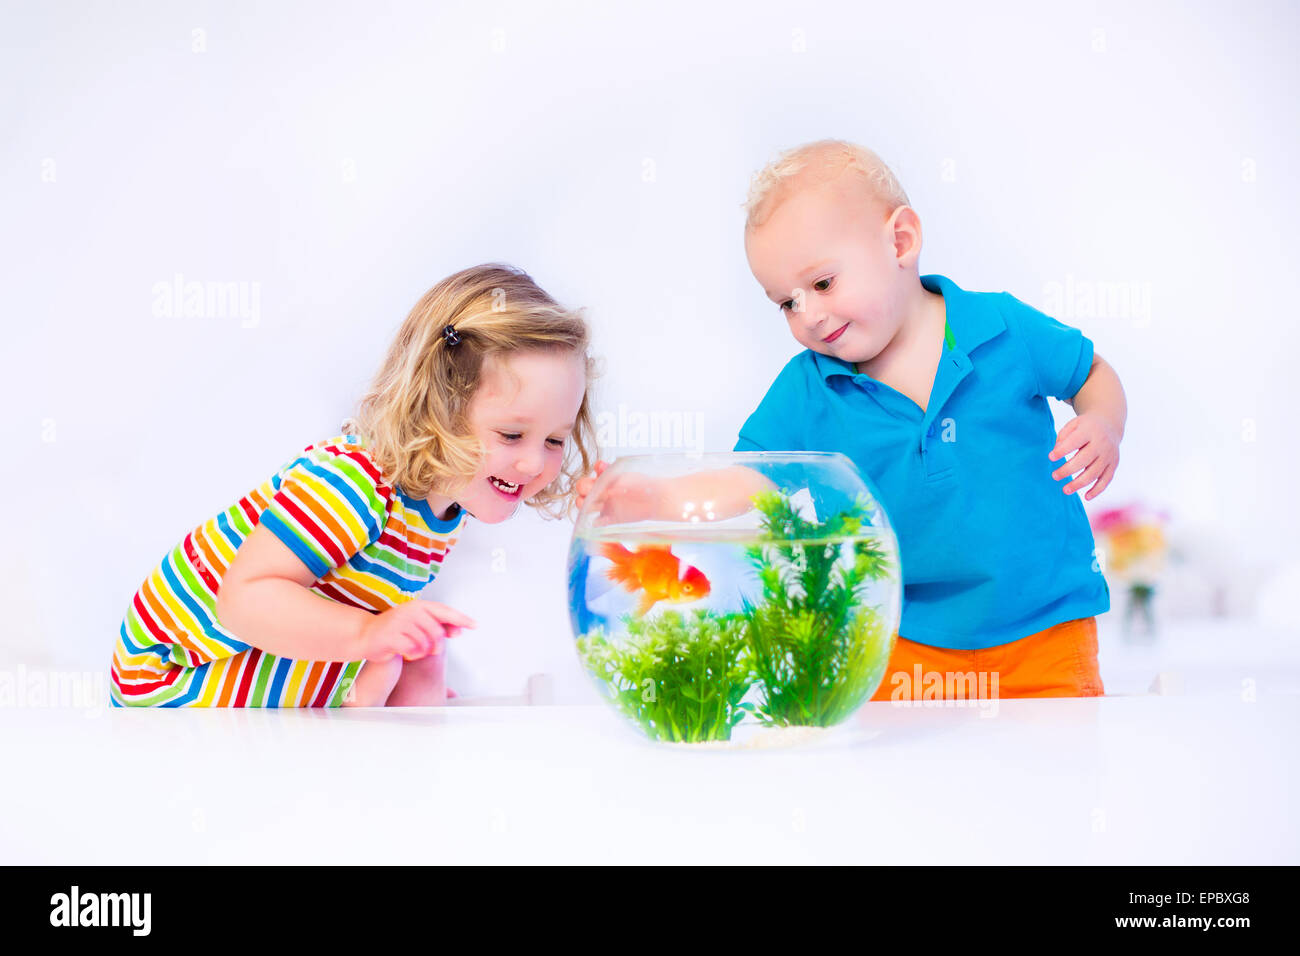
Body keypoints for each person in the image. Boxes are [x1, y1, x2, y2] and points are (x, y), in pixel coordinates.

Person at [577, 140, 1127, 699]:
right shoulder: (809, 388)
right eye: (786, 303)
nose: (809, 315)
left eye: (822, 284)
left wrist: (1103, 422)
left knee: (1058, 771)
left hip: (1045, 627)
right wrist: (656, 501)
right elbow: (749, 476)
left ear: (901, 242)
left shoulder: (1001, 326)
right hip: (898, 637)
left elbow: (1091, 373)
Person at [111, 263, 597, 707]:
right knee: (387, 657)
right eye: (511, 435)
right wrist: (370, 634)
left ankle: (390, 703)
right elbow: (244, 600)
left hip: (244, 659)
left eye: (556, 439)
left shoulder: (445, 506)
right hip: (169, 676)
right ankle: (373, 704)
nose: (535, 462)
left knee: (408, 656)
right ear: (439, 407)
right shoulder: (353, 482)